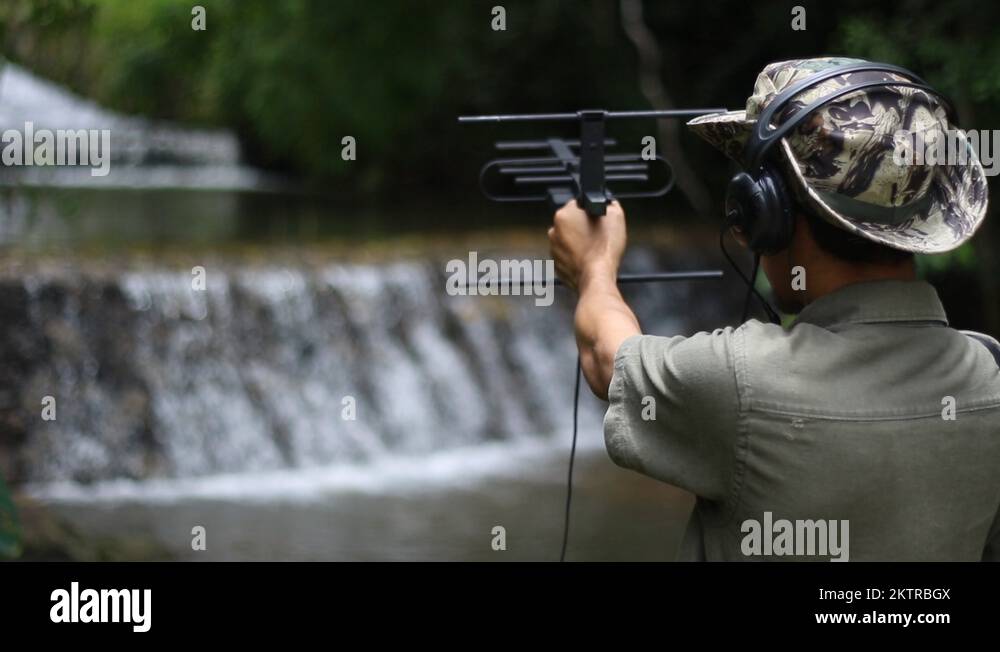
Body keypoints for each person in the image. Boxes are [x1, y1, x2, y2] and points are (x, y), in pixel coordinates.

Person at [548, 57, 1000, 561]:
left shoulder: (741, 384)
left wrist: (594, 268)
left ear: (769, 214)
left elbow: (606, 360)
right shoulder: (991, 374)